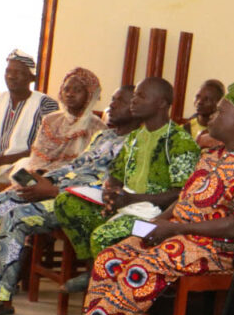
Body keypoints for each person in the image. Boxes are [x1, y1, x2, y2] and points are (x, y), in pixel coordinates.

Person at [26, 83, 234, 315]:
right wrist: (161, 222)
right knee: (111, 257)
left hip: (218, 248)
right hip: (180, 234)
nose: (213, 116)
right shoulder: (212, 155)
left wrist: (176, 229)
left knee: (146, 264)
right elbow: (184, 199)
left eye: (222, 112)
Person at [0, 86, 136, 315]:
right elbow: (74, 167)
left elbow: (107, 188)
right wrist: (41, 179)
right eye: (113, 99)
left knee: (15, 218)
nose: (112, 105)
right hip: (51, 188)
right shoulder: (104, 136)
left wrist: (53, 189)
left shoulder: (136, 144)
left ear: (135, 107)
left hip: (75, 203)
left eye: (120, 101)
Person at [53, 76, 200, 289]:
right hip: (125, 205)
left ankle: (108, 291)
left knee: (103, 235)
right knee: (67, 203)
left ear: (161, 103)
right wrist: (110, 190)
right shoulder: (135, 137)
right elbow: (116, 173)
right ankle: (95, 269)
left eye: (141, 96)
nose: (134, 101)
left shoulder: (179, 142)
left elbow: (182, 194)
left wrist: (132, 199)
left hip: (153, 219)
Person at [0, 50, 59, 193]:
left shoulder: (46, 105)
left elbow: (44, 148)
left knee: (28, 175)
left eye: (19, 72)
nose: (11, 76)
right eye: (8, 71)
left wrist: (0, 161)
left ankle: (6, 192)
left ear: (32, 77)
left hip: (20, 165)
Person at [184, 79, 225, 149]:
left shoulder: (225, 131)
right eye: (197, 97)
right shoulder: (185, 129)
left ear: (219, 103)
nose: (199, 102)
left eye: (207, 99)